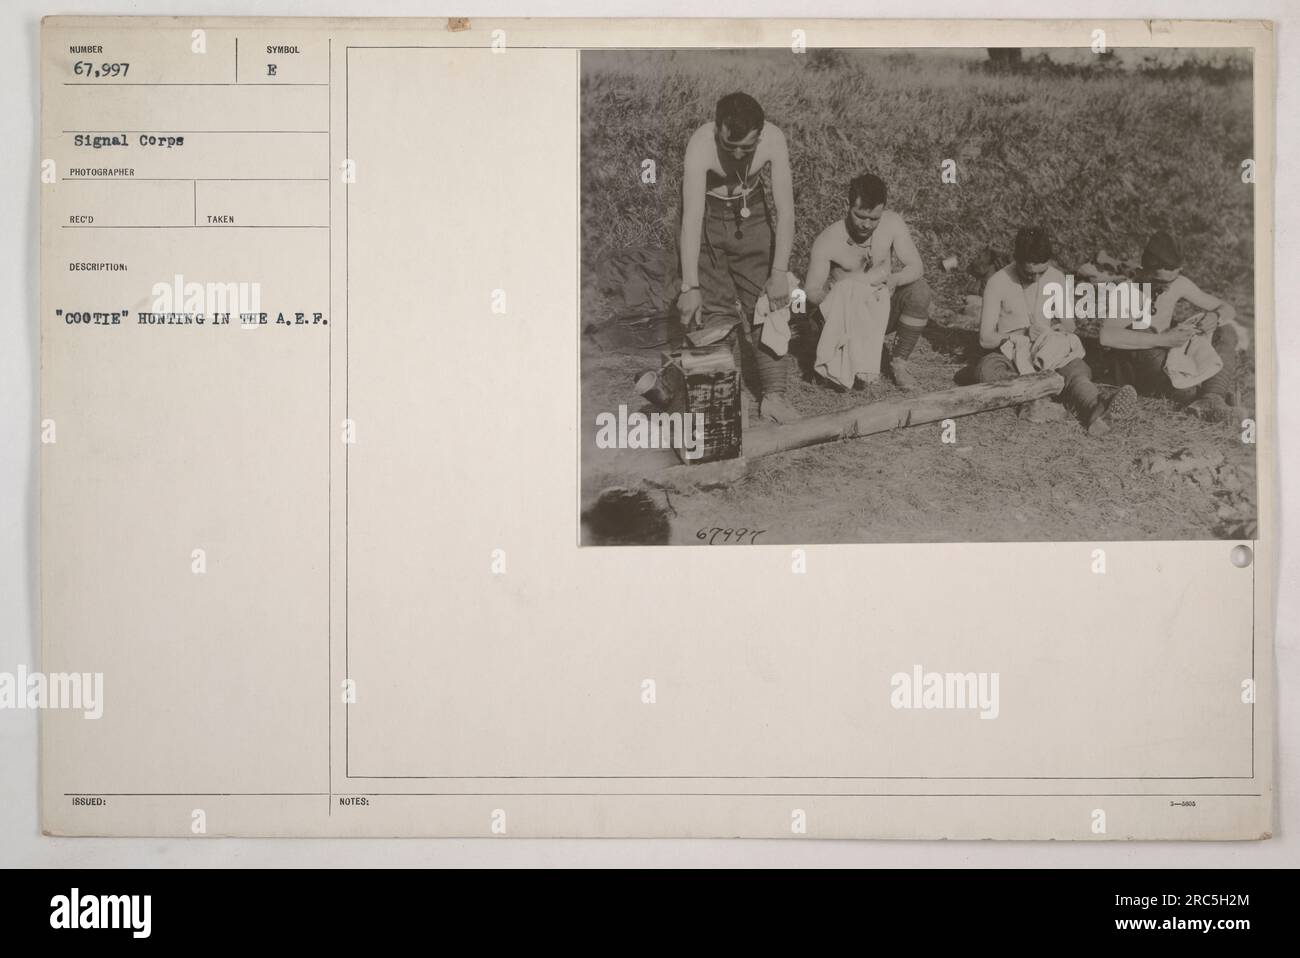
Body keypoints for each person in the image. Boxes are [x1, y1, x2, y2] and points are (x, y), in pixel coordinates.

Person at [677, 92, 798, 423]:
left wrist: (778, 272)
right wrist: (690, 286)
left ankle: (774, 396)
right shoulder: (700, 145)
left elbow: (786, 213)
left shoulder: (774, 138)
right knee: (712, 312)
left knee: (769, 303)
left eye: (748, 146)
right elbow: (691, 218)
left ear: (760, 133)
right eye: (730, 147)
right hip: (706, 220)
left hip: (753, 215)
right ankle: (730, 398)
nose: (739, 154)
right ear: (718, 130)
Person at [975, 227, 1137, 435]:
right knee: (985, 369)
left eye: (1041, 273)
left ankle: (1096, 408)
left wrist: (1062, 329)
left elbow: (1069, 324)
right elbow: (985, 339)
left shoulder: (1056, 278)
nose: (1035, 279)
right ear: (1017, 261)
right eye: (1028, 273)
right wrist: (1022, 333)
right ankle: (1037, 401)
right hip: (1011, 352)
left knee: (1076, 369)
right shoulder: (998, 282)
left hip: (1047, 351)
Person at [1100, 230, 1244, 424]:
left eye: (1171, 281)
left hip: (1169, 357)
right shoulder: (1128, 290)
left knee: (1226, 331)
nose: (1166, 288)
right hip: (1141, 364)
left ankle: (1211, 398)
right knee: (1142, 328)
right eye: (1158, 282)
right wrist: (1162, 339)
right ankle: (1207, 395)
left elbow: (1228, 308)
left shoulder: (1179, 284)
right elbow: (1107, 336)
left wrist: (1215, 316)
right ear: (1145, 270)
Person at [804, 173, 932, 391]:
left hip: (880, 311)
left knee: (920, 290)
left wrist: (895, 279)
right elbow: (811, 289)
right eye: (860, 216)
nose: (866, 224)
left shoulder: (892, 223)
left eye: (874, 218)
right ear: (848, 205)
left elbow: (916, 266)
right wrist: (839, 301)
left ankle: (899, 363)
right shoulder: (829, 240)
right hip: (844, 319)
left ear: (883, 209)